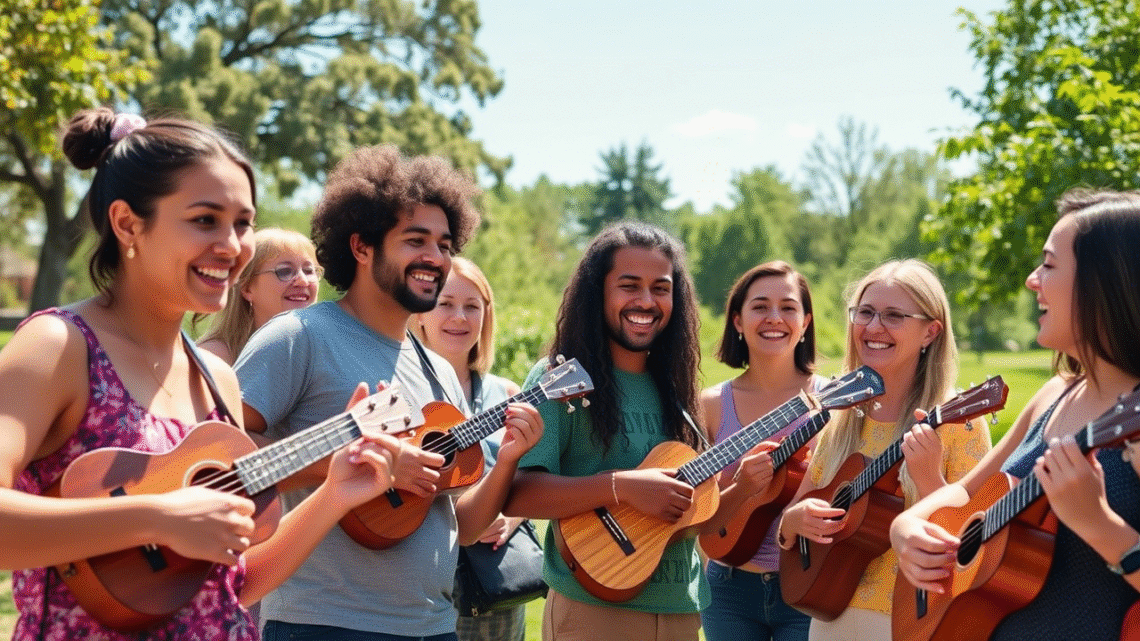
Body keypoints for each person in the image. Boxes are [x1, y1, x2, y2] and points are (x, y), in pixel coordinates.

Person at [0, 108, 413, 640]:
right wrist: (157, 518)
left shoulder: (218, 378)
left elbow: (228, 588)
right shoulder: (58, 346)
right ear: (127, 224)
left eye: (243, 223)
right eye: (204, 220)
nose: (233, 245)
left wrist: (335, 494)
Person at [235, 144, 544, 641]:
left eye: (445, 245)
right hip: (323, 624)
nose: (435, 258)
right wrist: (361, 465)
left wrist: (507, 460)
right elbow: (223, 460)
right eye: (415, 240)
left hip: (435, 626)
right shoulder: (299, 336)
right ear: (361, 247)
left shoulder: (439, 372)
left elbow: (463, 526)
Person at [890, 188, 1140, 640]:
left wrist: (1100, 525)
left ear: (1104, 282)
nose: (1031, 280)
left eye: (1049, 265)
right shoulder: (1054, 395)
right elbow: (965, 494)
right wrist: (905, 526)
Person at [504, 222, 769, 641]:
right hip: (592, 612)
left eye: (661, 288)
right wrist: (622, 487)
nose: (646, 301)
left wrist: (742, 489)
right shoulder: (560, 379)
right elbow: (518, 495)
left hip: (681, 611)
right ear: (599, 293)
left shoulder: (677, 389)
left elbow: (689, 522)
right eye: (629, 286)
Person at [777, 259, 991, 641]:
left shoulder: (960, 425)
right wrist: (793, 522)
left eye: (894, 315)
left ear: (930, 332)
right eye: (865, 312)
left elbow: (975, 549)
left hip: (910, 621)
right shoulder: (843, 418)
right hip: (828, 615)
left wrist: (929, 481)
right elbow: (793, 516)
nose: (874, 327)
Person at [698, 260, 827, 641]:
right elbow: (697, 510)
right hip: (727, 590)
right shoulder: (711, 405)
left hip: (808, 584)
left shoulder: (834, 401)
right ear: (738, 321)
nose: (774, 317)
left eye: (788, 307)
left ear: (805, 322)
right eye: (760, 306)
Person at [412, 256, 528, 641]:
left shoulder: (506, 394)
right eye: (445, 303)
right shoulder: (399, 391)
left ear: (486, 316)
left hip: (491, 584)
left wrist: (507, 518)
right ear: (420, 313)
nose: (459, 317)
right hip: (420, 579)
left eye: (472, 306)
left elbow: (530, 479)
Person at [199, 227, 322, 363]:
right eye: (285, 271)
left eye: (309, 270)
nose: (303, 281)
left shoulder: (325, 350)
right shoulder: (212, 357)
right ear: (247, 289)